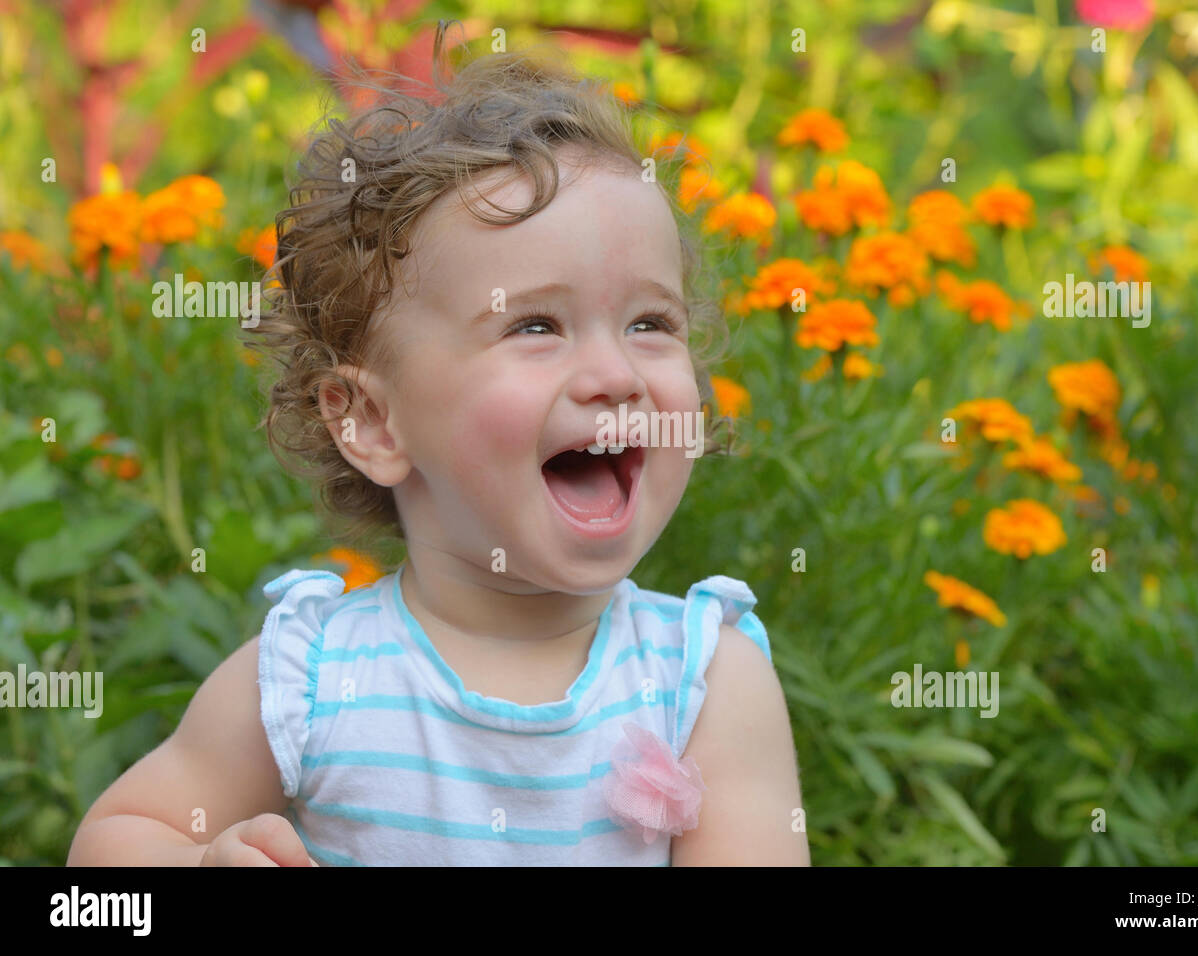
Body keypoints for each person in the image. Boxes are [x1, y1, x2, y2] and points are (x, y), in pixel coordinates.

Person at [68, 24, 807, 866]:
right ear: (375, 424)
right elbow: (113, 850)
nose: (615, 374)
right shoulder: (309, 681)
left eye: (650, 323)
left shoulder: (702, 682)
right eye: (536, 325)